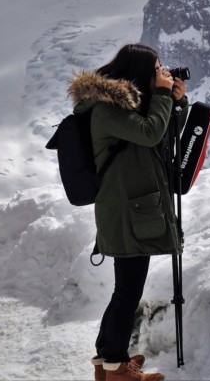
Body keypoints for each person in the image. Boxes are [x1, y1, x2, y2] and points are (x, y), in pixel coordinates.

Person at [68, 43, 188, 381]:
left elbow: (162, 137)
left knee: (124, 291)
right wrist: (164, 97)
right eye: (157, 69)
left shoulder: (123, 107)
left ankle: (106, 362)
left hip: (130, 208)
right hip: (127, 212)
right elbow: (150, 134)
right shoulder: (109, 110)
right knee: (128, 293)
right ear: (138, 73)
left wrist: (175, 101)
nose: (162, 74)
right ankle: (117, 370)